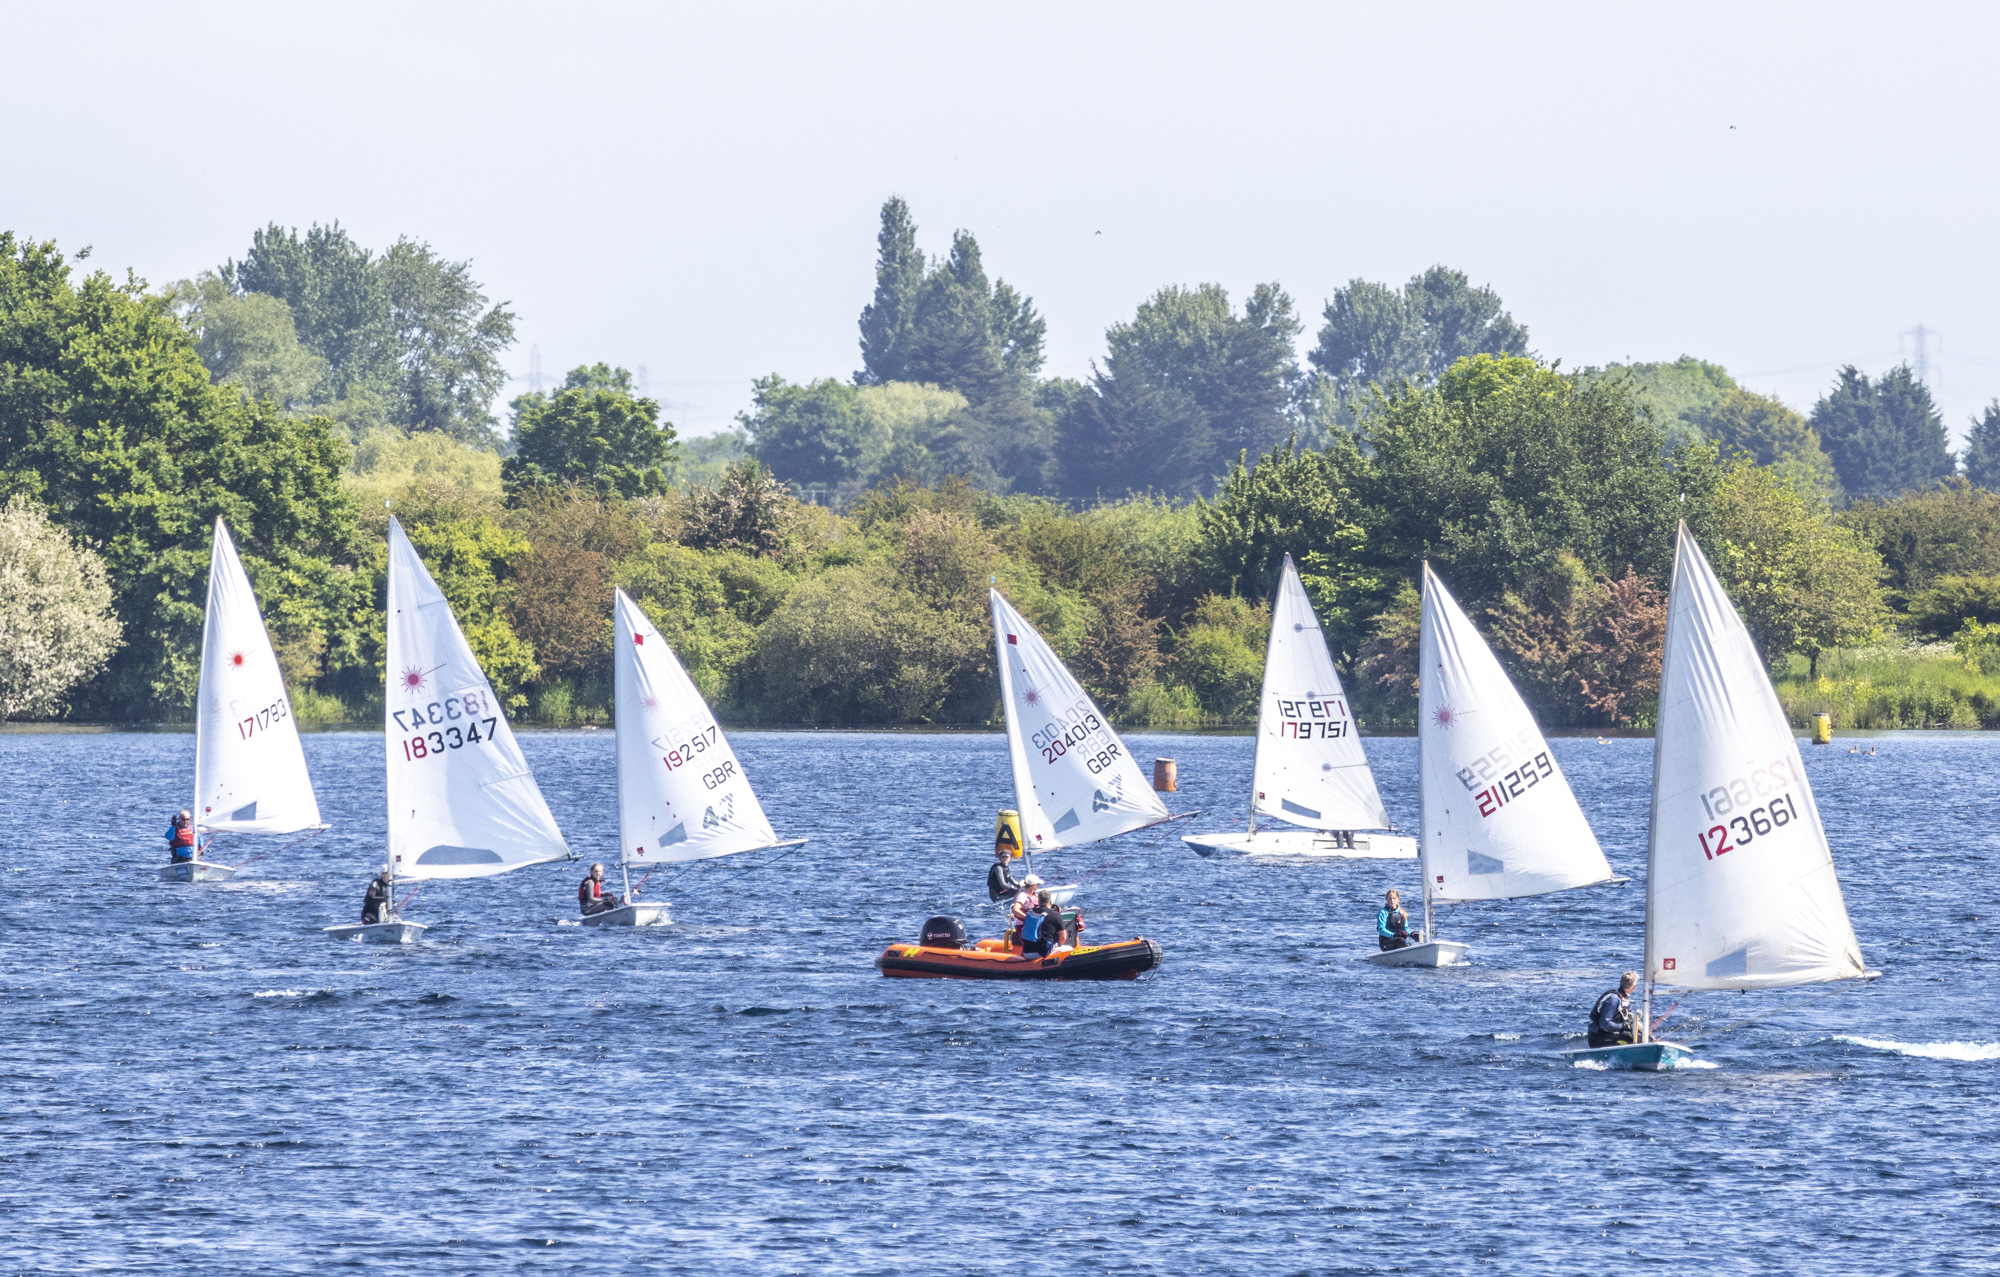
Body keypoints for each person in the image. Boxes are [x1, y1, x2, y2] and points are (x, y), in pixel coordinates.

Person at [1588, 972, 1639, 1047]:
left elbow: (1630, 1017)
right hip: (1599, 1038)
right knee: (1634, 1041)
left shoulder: (1624, 999)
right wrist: (1623, 1027)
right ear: (1634, 987)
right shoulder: (1613, 999)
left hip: (1608, 1035)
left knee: (1639, 1038)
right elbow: (1604, 1024)